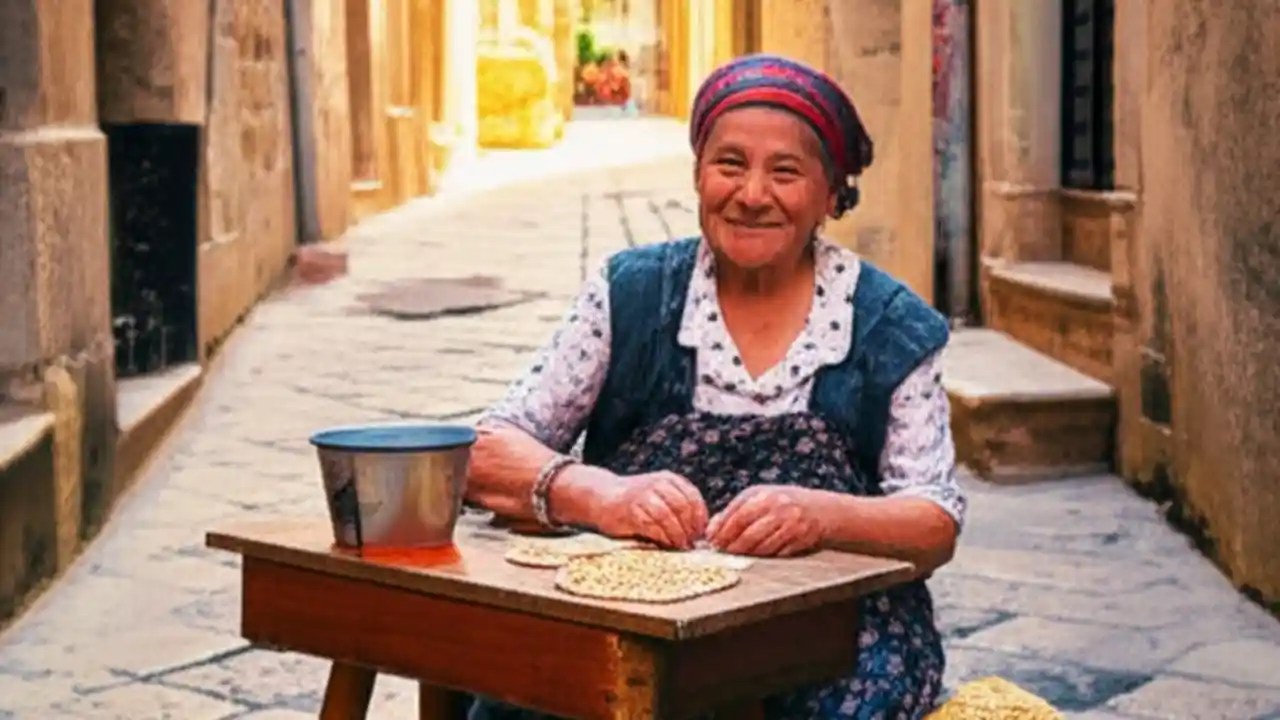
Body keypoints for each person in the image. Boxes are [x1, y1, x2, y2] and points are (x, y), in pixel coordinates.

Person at [465, 53, 966, 720]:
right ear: (699, 174)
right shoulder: (632, 294)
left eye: (785, 171)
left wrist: (820, 515)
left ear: (831, 193)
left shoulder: (886, 325)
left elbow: (932, 521)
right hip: (635, 609)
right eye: (729, 164)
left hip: (831, 625)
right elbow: (485, 450)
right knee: (529, 696)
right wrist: (602, 494)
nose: (752, 194)